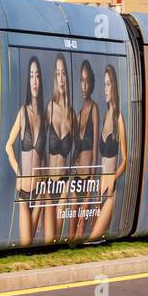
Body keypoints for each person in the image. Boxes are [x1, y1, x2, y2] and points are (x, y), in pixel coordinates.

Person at [4, 56, 46, 246]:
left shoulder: (44, 116)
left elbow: (43, 157)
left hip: (39, 192)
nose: (34, 81)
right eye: (31, 76)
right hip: (23, 192)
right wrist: (18, 172)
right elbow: (8, 146)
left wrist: (44, 188)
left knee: (32, 246)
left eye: (37, 76)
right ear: (28, 81)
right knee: (25, 243)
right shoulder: (23, 112)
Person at [42, 54, 76, 245]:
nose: (61, 78)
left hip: (63, 184)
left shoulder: (71, 114)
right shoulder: (49, 108)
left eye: (64, 74)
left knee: (55, 239)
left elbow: (77, 152)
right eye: (57, 74)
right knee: (47, 239)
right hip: (48, 184)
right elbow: (40, 145)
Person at [91, 64, 128, 240]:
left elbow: (126, 160)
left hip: (110, 190)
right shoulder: (105, 115)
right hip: (99, 189)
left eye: (108, 84)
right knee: (92, 239)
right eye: (103, 84)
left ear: (113, 85)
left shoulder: (118, 118)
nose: (105, 89)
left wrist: (113, 178)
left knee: (95, 235)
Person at [69, 60, 101, 242]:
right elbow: (76, 150)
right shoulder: (79, 114)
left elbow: (95, 154)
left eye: (88, 81)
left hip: (88, 180)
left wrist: (88, 198)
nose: (84, 85)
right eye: (81, 80)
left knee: (82, 227)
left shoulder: (94, 109)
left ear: (92, 84)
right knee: (71, 234)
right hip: (76, 179)